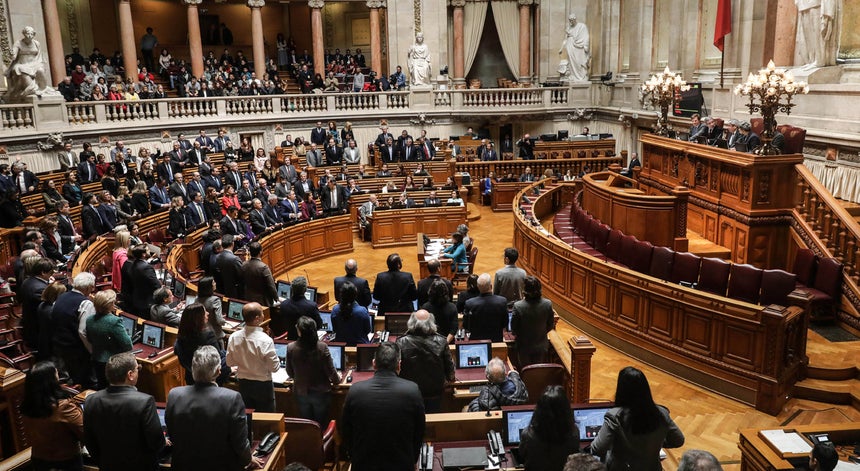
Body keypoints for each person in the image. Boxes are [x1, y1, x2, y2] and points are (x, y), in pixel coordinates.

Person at [166, 346, 262, 471]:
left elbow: (172, 434)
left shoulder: (174, 395)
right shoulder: (232, 399)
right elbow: (240, 443)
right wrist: (248, 459)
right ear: (218, 371)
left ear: (193, 369)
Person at [340, 342, 425, 470]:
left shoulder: (355, 391)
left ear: (374, 363)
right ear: (399, 365)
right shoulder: (412, 390)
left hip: (364, 463)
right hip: (401, 463)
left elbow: (346, 430)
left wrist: (354, 456)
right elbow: (419, 431)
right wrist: (413, 459)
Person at [589, 366, 685, 470]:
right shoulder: (661, 413)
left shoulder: (614, 416)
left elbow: (597, 448)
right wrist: (656, 444)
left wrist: (612, 446)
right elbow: (678, 440)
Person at [83, 352, 166, 471]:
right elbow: (157, 443)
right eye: (138, 368)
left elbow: (90, 442)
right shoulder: (145, 402)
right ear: (130, 375)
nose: (139, 371)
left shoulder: (91, 401)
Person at [20, 361, 84, 471]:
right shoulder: (63, 407)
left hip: (39, 458)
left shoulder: (26, 406)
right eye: (56, 374)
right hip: (66, 460)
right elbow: (83, 431)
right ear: (50, 381)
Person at [396, 309, 455, 413]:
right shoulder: (441, 341)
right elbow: (450, 371)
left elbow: (396, 370)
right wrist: (450, 380)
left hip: (409, 393)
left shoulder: (401, 342)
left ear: (411, 323)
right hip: (434, 393)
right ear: (431, 323)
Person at [286, 315, 341, 425]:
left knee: (308, 424)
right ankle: (322, 441)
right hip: (321, 393)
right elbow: (331, 371)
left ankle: (312, 442)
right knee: (321, 424)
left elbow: (289, 371)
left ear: (300, 332)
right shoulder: (322, 347)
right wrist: (337, 380)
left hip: (301, 392)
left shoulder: (291, 347)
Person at [227, 302, 280, 413]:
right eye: (262, 313)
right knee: (266, 420)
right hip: (263, 386)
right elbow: (274, 368)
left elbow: (229, 362)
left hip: (243, 384)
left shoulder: (233, 337)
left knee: (248, 418)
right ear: (257, 318)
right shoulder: (266, 340)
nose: (263, 316)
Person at [519, 385, 580, 471]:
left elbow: (521, 457)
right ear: (566, 410)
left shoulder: (528, 435)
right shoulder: (574, 433)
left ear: (539, 410)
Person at [174, 303, 230, 385]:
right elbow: (217, 360)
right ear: (198, 318)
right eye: (205, 312)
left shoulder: (181, 338)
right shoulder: (208, 336)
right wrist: (230, 366)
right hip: (210, 380)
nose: (207, 313)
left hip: (191, 378)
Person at [86, 289, 133, 389]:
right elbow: (127, 344)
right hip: (113, 362)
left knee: (102, 387)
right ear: (109, 304)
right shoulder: (114, 321)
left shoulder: (89, 320)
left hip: (96, 359)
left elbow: (90, 339)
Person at [4, 26, 58, 102]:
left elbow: (39, 56)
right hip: (22, 64)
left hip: (35, 63)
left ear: (34, 34)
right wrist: (12, 54)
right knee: (19, 69)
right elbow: (14, 57)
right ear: (24, 34)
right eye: (27, 33)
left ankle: (42, 88)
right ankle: (32, 89)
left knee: (40, 70)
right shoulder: (18, 43)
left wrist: (38, 64)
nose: (29, 36)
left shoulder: (36, 43)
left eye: (31, 34)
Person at [512, 276, 555, 368]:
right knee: (538, 373)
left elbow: (514, 329)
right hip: (541, 346)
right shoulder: (547, 304)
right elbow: (551, 325)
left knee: (526, 372)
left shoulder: (518, 306)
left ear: (524, 290)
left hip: (524, 347)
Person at [464, 273, 508, 342]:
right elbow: (505, 323)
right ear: (491, 286)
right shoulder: (502, 301)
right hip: (496, 340)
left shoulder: (469, 303)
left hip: (477, 342)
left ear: (478, 287)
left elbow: (466, 325)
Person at [331, 281, 372, 346]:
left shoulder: (335, 309)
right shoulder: (362, 311)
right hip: (360, 346)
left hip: (341, 346)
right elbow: (368, 330)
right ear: (355, 295)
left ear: (341, 295)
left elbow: (334, 329)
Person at [242, 242, 277, 307]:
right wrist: (276, 298)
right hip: (262, 301)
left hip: (248, 298)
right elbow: (271, 285)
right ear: (260, 252)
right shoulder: (263, 267)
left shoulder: (244, 264)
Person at [558, 14, 590, 82]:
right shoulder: (568, 28)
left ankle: (581, 76)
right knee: (571, 62)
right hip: (570, 46)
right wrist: (561, 48)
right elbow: (565, 39)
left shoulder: (582, 26)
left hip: (579, 47)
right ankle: (573, 75)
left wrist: (585, 46)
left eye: (572, 20)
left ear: (575, 19)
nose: (571, 22)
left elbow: (586, 37)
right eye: (570, 20)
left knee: (579, 62)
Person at [215, 234, 243, 299]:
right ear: (233, 244)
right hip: (237, 292)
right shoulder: (235, 259)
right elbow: (242, 276)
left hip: (224, 290)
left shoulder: (217, 257)